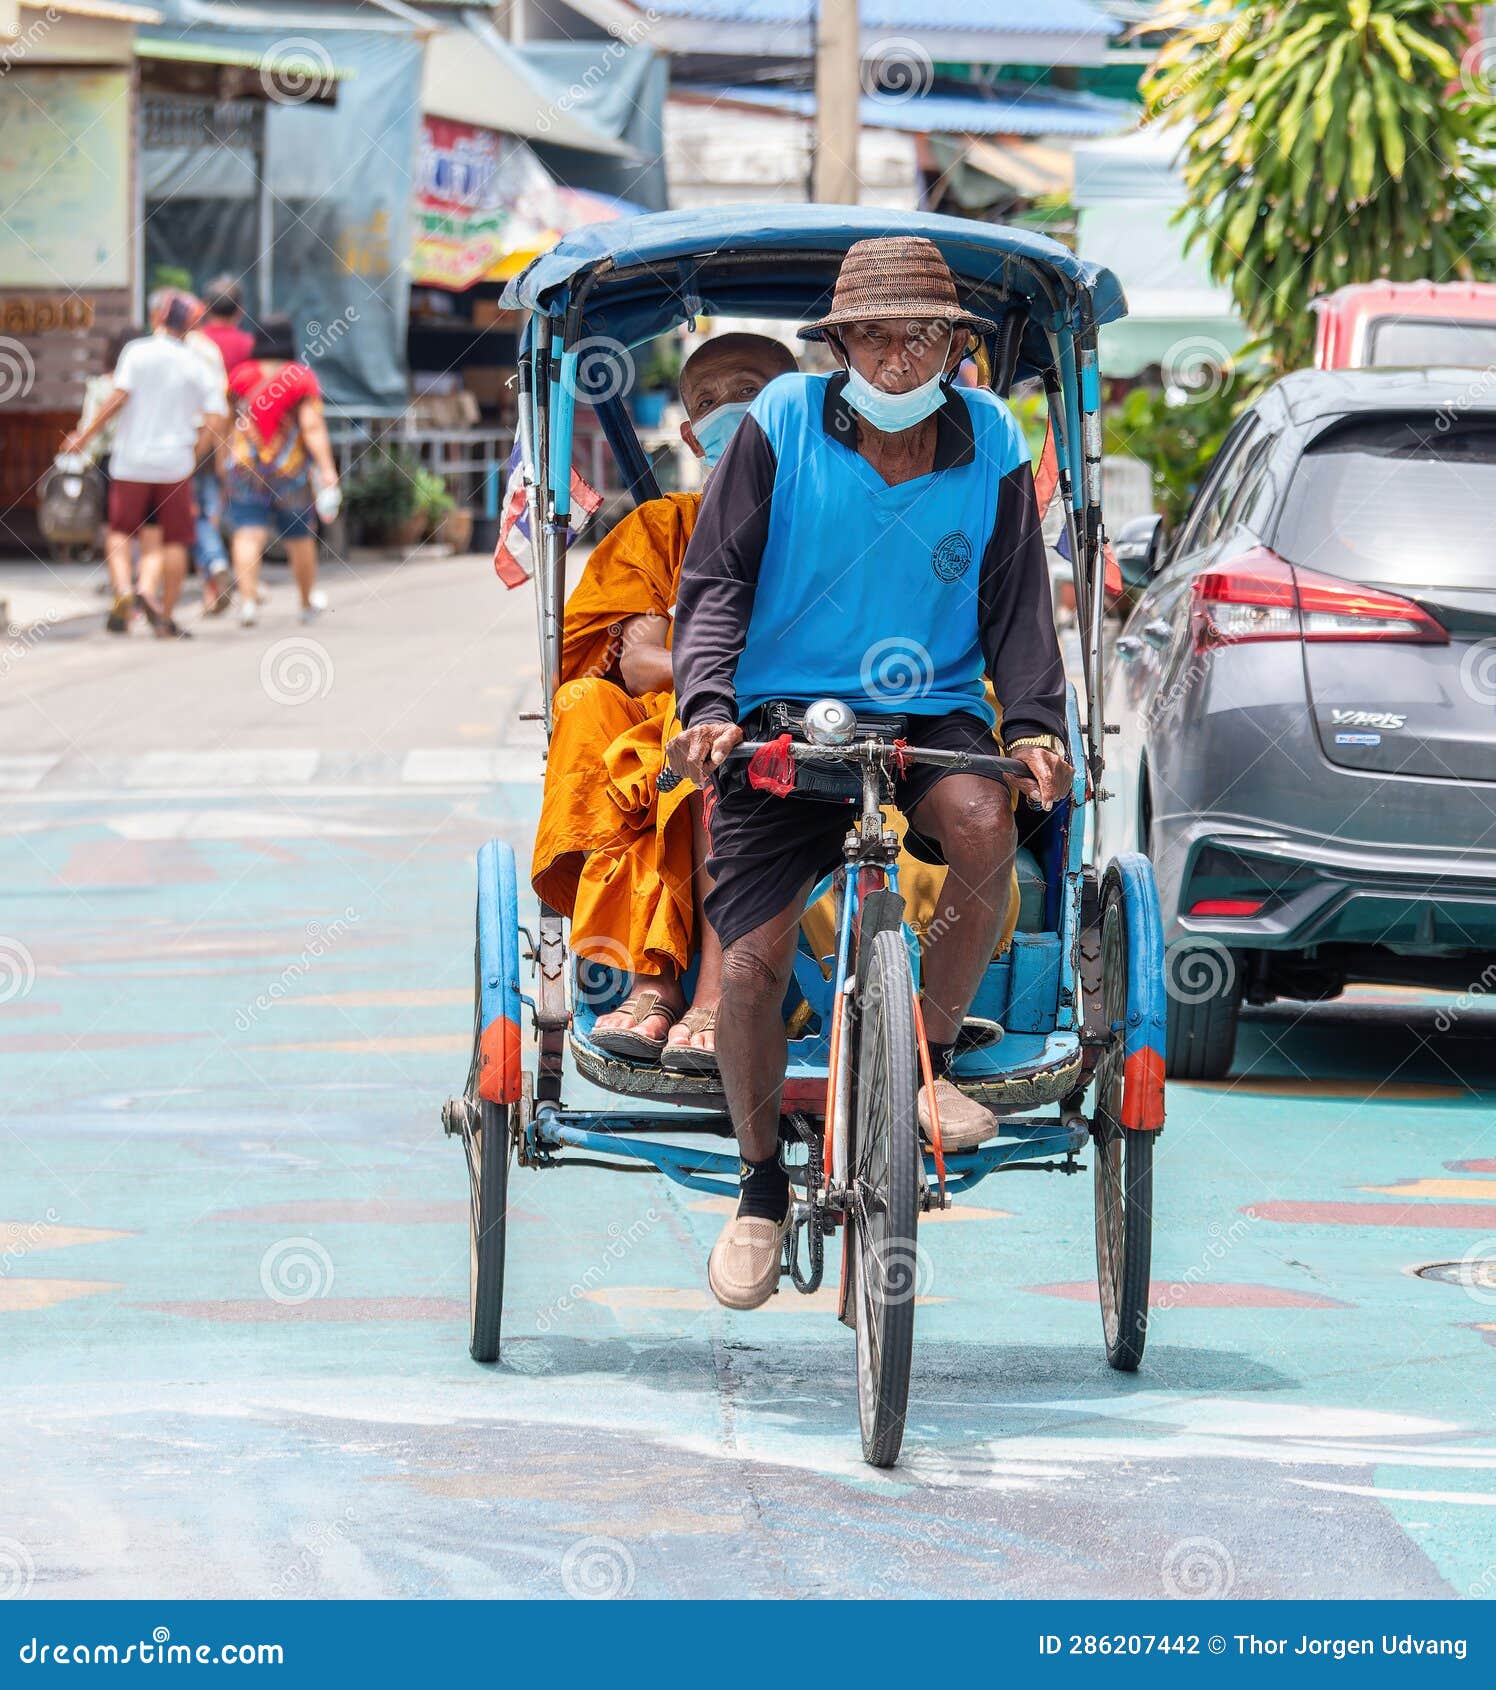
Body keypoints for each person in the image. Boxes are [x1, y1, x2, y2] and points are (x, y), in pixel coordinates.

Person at [667, 237, 1074, 1310]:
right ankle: (758, 1191)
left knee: (987, 818)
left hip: (928, 704)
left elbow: (1016, 605)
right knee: (748, 964)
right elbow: (714, 582)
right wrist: (706, 708)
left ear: (955, 347)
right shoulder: (778, 424)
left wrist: (1032, 724)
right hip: (781, 710)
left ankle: (928, 1064)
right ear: (840, 342)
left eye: (926, 337)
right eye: (880, 337)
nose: (902, 358)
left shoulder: (987, 438)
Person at [532, 333, 796, 1072]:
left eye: (748, 393)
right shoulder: (665, 526)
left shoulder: (832, 510)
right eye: (707, 403)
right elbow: (641, 664)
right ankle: (655, 980)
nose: (728, 413)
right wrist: (723, 676)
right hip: (685, 725)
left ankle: (710, 993)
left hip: (815, 719)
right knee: (611, 712)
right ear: (687, 432)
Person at [63, 290, 227, 637]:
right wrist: (197, 451)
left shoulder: (137, 352)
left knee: (121, 532)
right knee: (172, 541)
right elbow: (216, 415)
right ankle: (163, 614)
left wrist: (84, 436)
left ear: (159, 319)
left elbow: (117, 398)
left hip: (131, 462)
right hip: (175, 465)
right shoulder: (195, 362)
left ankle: (124, 590)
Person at [222, 315, 340, 628]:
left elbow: (226, 424)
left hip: (246, 469)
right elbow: (312, 427)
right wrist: (328, 469)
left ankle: (247, 602)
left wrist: (222, 462)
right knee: (299, 537)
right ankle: (304, 603)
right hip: (290, 473)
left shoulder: (240, 376)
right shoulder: (300, 378)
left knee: (247, 533)